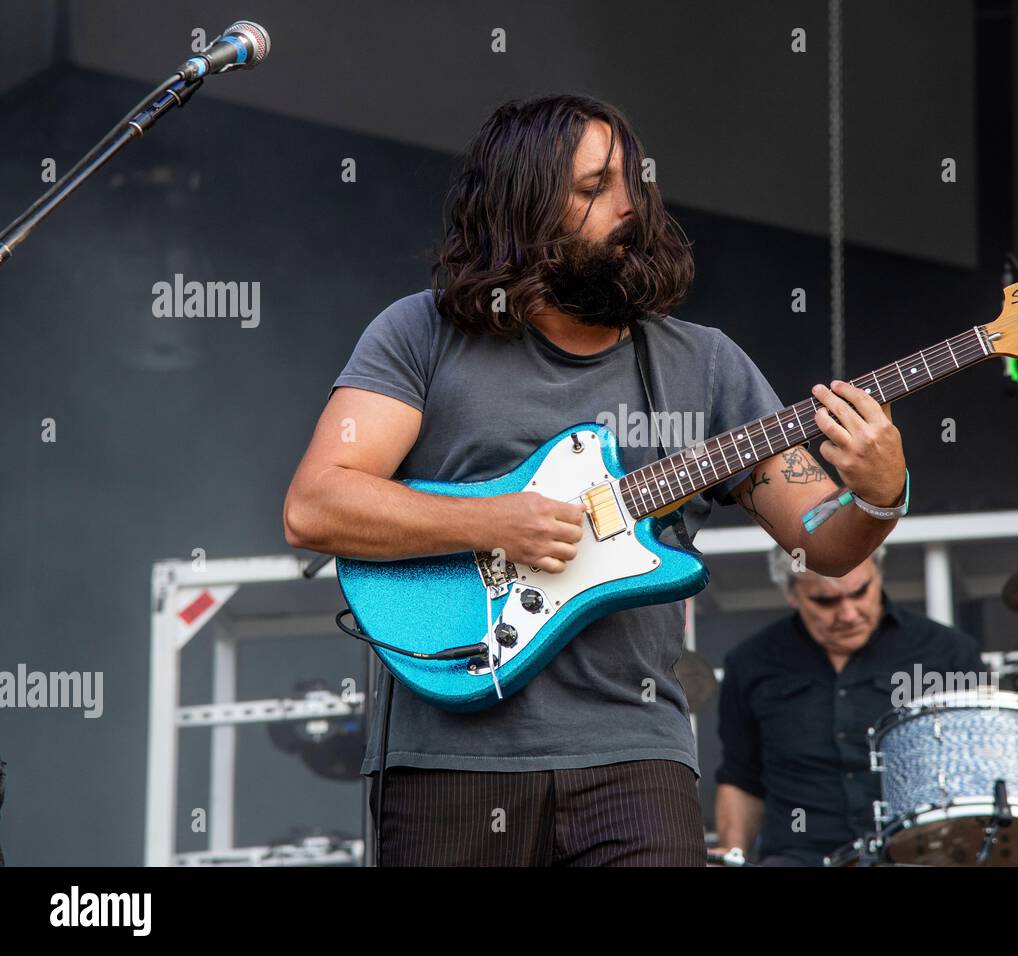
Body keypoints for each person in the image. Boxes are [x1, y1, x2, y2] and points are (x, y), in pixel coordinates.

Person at [283, 94, 906, 866]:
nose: (628, 208)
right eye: (592, 189)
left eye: (631, 185)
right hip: (448, 760)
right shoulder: (420, 333)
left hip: (635, 756)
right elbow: (316, 505)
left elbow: (827, 543)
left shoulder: (705, 363)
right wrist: (493, 524)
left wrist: (879, 493)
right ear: (523, 210)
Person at [714, 545, 983, 866]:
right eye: (825, 601)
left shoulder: (948, 652)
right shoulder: (750, 662)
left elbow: (981, 762)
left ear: (878, 575)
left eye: (860, 592)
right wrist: (734, 853)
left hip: (922, 851)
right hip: (798, 855)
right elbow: (741, 778)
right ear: (791, 594)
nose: (848, 614)